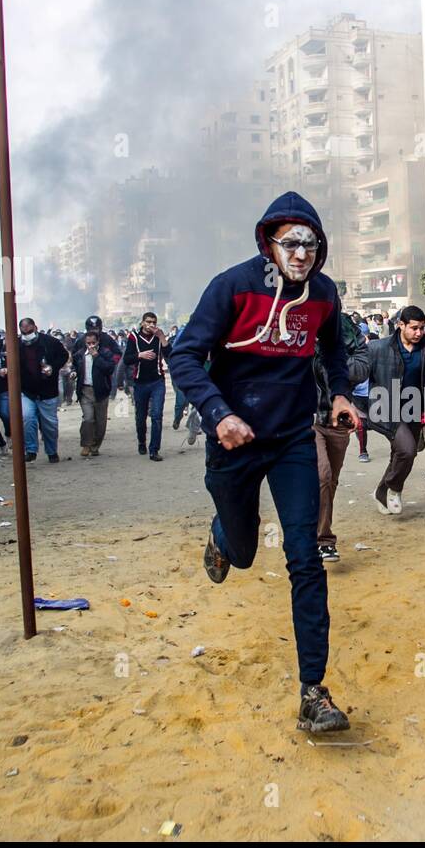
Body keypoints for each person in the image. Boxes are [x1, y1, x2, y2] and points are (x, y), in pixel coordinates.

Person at [169, 191, 359, 734]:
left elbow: (332, 351)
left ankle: (313, 691)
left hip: (293, 441)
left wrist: (341, 393)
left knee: (305, 558)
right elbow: (183, 355)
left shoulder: (322, 294)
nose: (301, 253)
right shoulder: (231, 287)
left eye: (311, 244)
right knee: (247, 552)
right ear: (269, 242)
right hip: (233, 441)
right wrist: (217, 414)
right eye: (291, 243)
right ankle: (222, 537)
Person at [365, 304, 425, 516]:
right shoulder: (378, 348)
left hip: (416, 409)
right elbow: (360, 377)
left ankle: (381, 491)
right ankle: (395, 489)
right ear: (400, 325)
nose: (419, 333)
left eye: (422, 328)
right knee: (407, 450)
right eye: (414, 328)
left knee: (400, 453)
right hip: (387, 409)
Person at [313, 311, 371, 562]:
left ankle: (317, 533)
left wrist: (334, 362)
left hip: (338, 417)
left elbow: (363, 363)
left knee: (330, 481)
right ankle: (322, 539)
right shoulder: (288, 321)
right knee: (322, 474)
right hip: (304, 418)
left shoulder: (343, 324)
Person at [16, 318, 69, 464]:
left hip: (48, 391)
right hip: (27, 391)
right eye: (24, 331)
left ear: (35, 328)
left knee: (50, 425)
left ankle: (52, 451)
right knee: (27, 418)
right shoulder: (17, 345)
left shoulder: (50, 342)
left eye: (30, 331)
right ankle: (31, 450)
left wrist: (53, 367)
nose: (27, 334)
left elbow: (64, 356)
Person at [125, 311, 169, 461]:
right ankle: (141, 441)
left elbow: (170, 355)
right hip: (140, 382)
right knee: (140, 416)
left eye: (154, 322)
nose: (151, 325)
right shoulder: (134, 338)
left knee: (157, 415)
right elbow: (126, 359)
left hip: (157, 381)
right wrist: (140, 355)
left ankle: (154, 449)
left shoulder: (158, 337)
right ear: (143, 322)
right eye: (149, 322)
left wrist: (162, 337)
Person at [72, 328, 118, 457]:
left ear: (98, 342)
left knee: (100, 422)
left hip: (101, 391)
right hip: (85, 390)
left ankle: (95, 445)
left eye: (93, 343)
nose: (91, 345)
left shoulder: (105, 353)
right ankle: (86, 444)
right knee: (88, 418)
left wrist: (96, 356)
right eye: (88, 343)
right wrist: (73, 373)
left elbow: (109, 369)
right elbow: (74, 367)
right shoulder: (80, 355)